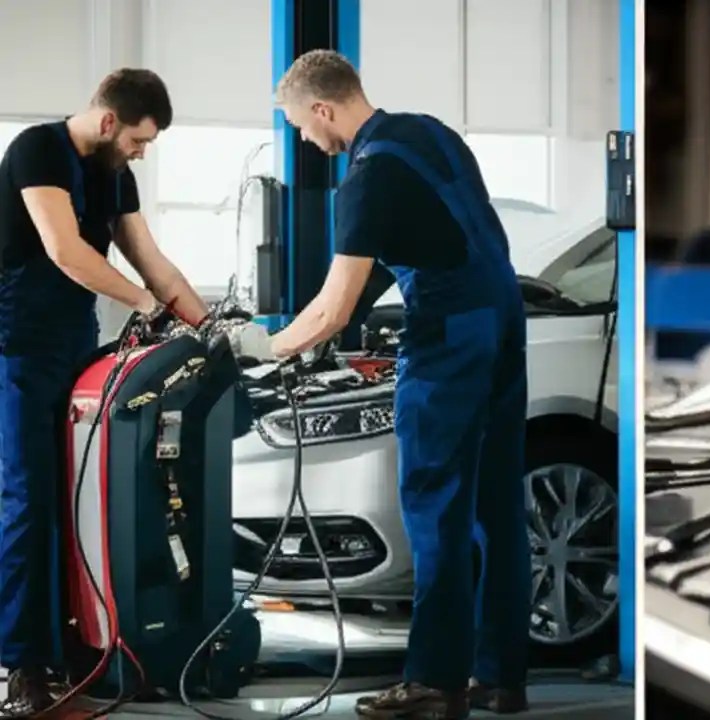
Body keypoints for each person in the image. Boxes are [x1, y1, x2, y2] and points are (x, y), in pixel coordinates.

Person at [251, 49, 531, 719]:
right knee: (497, 506)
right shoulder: (429, 132)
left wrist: (263, 348)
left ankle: (435, 683)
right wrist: (323, 331)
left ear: (322, 108)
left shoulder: (366, 178)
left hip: (448, 336)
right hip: (504, 319)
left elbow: (334, 306)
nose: (305, 139)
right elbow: (420, 240)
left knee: (436, 509)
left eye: (298, 124)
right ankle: (501, 678)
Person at [0, 68, 207, 714]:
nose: (143, 153)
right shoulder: (37, 150)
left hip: (74, 345)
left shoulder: (117, 174)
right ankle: (21, 665)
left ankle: (78, 646)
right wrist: (145, 304)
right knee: (28, 498)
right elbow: (64, 249)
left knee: (79, 497)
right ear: (111, 122)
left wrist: (211, 330)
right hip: (17, 346)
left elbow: (151, 260)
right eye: (141, 140)